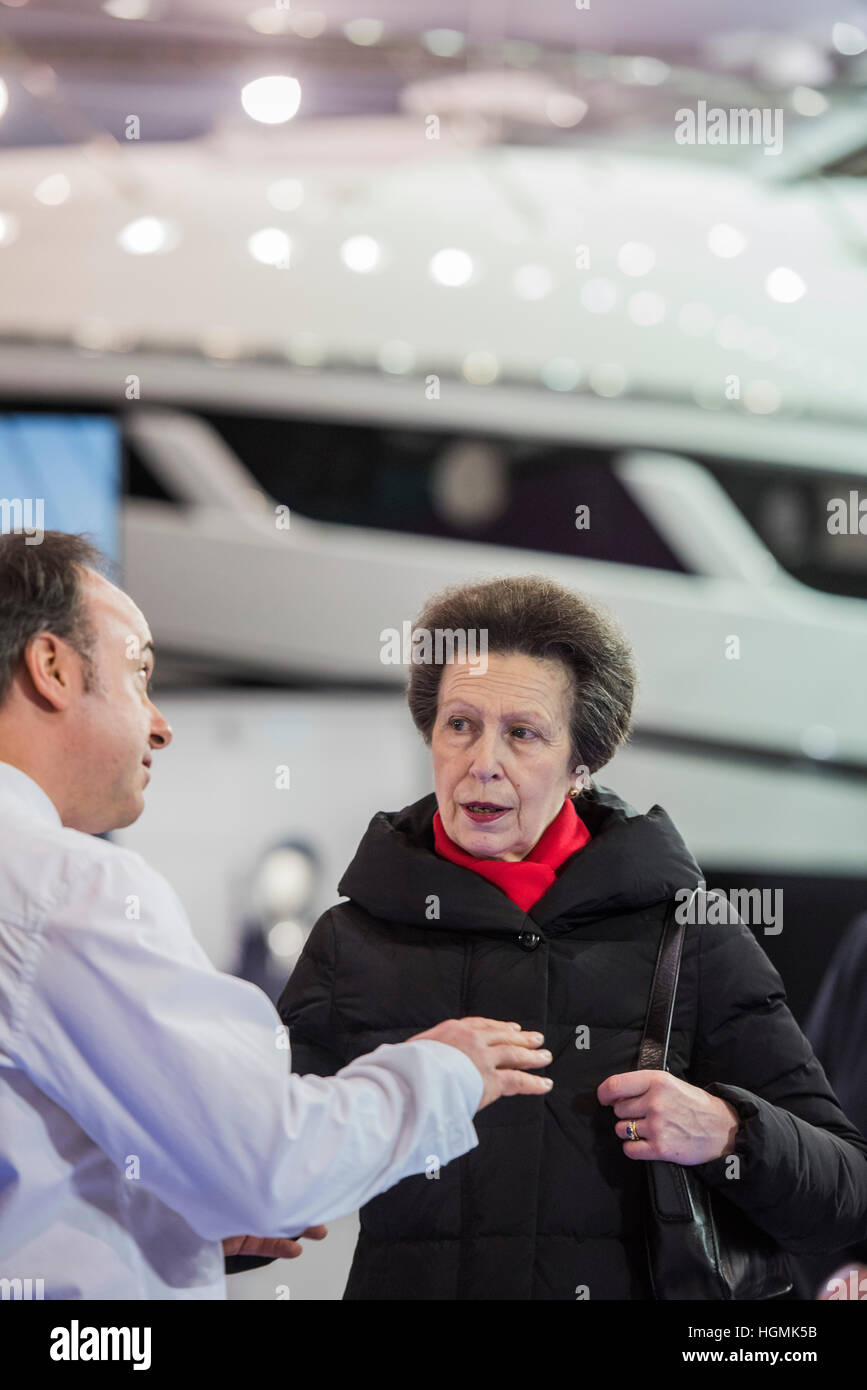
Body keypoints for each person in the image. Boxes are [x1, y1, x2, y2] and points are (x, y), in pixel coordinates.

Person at [279, 574, 867, 1300]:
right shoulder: (352, 939)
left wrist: (727, 1131)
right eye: (459, 724)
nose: (482, 761)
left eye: (521, 733)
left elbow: (845, 1191)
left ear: (580, 765)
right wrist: (233, 1230)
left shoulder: (687, 933)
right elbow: (256, 1165)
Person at [0, 531, 551, 1300]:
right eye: (139, 675)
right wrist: (447, 1070)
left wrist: (166, 1219)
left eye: (522, 733)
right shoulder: (59, 888)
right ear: (53, 669)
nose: (160, 724)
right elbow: (266, 1161)